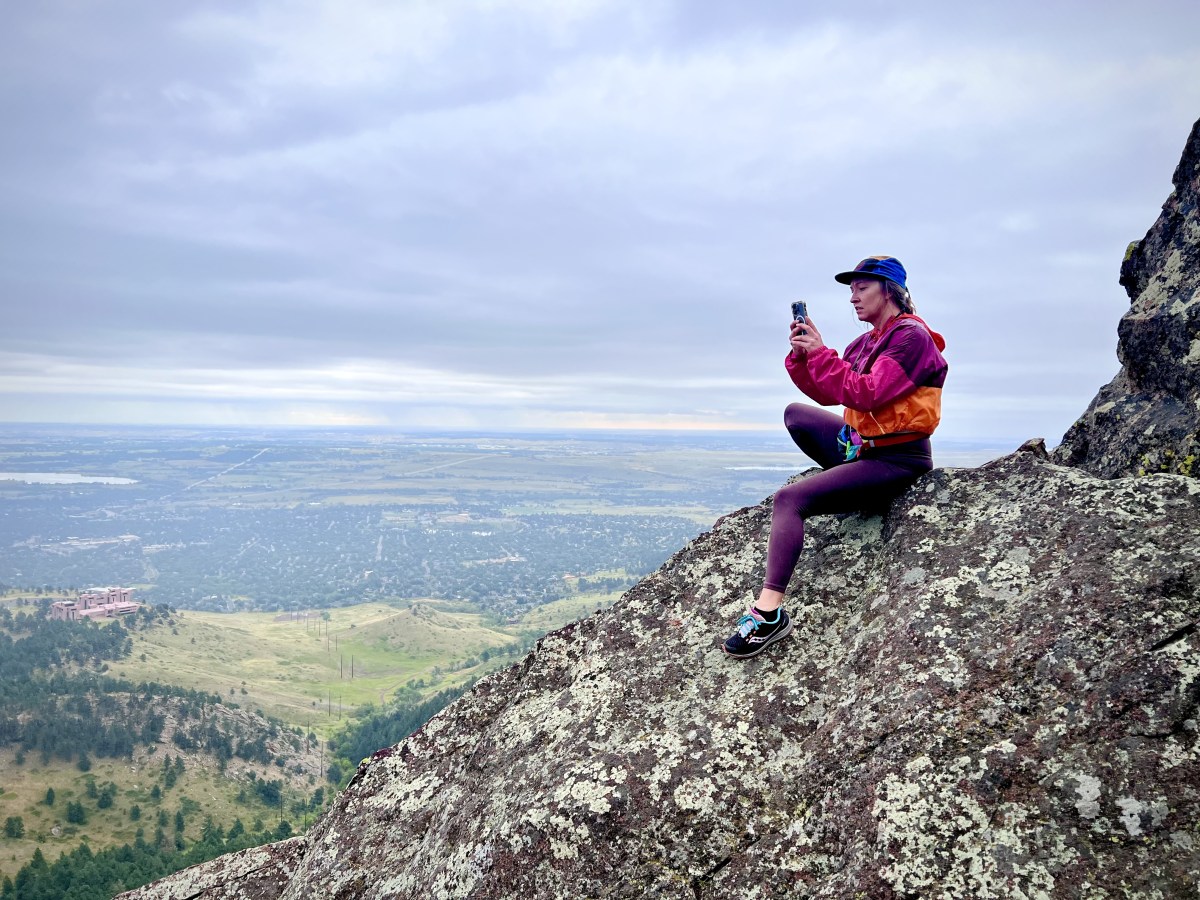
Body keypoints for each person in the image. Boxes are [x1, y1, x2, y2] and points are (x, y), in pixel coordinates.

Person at [722, 256, 948, 658]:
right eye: (851, 290)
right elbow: (832, 392)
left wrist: (822, 352)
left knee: (789, 500)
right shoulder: (866, 342)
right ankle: (850, 480)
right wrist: (805, 356)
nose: (853, 297)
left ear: (889, 290)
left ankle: (769, 614)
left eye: (862, 288)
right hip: (863, 446)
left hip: (899, 460)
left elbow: (868, 393)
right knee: (796, 415)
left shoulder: (912, 338)